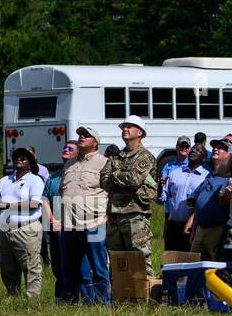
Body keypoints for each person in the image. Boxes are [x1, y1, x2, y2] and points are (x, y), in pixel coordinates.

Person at [58, 126, 111, 303]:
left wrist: (109, 215)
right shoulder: (69, 164)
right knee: (70, 268)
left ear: (95, 143)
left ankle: (101, 302)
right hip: (69, 224)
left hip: (95, 223)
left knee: (99, 267)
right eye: (80, 134)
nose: (81, 137)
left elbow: (113, 192)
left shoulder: (105, 163)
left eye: (86, 135)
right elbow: (61, 192)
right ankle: (71, 302)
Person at [102, 115, 159, 269]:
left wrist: (115, 175)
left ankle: (144, 292)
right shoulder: (116, 156)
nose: (125, 129)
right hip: (115, 215)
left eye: (129, 126)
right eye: (123, 127)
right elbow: (103, 180)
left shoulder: (145, 157)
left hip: (136, 215)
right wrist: (120, 178)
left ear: (140, 132)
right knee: (117, 260)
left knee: (139, 258)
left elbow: (134, 179)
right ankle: (121, 292)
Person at [0, 146, 45, 297]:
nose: (19, 159)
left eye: (23, 158)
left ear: (30, 164)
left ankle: (32, 300)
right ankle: (13, 296)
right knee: (7, 267)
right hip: (5, 229)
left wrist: (8, 206)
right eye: (16, 157)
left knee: (30, 266)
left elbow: (35, 203)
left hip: (26, 229)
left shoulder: (35, 180)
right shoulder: (4, 180)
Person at [41, 141, 81, 300]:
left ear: (77, 153)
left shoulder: (78, 174)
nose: (65, 149)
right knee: (57, 264)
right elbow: (45, 199)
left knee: (73, 263)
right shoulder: (54, 176)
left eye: (70, 148)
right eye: (64, 147)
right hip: (54, 225)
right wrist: (52, 221)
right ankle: (61, 297)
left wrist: (64, 223)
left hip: (73, 226)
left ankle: (76, 296)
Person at [186, 139, 232, 261]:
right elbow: (198, 203)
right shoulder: (210, 174)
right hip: (200, 228)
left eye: (220, 148)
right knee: (194, 263)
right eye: (214, 147)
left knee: (214, 264)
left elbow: (224, 202)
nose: (215, 149)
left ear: (228, 154)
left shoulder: (229, 176)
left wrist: (227, 196)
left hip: (216, 229)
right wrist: (194, 227)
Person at [159, 143, 207, 251]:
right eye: (193, 149)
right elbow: (162, 198)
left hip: (192, 227)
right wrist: (159, 187)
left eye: (198, 150)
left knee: (189, 261)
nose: (194, 151)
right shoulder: (175, 173)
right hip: (173, 226)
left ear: (204, 159)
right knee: (171, 262)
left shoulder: (206, 177)